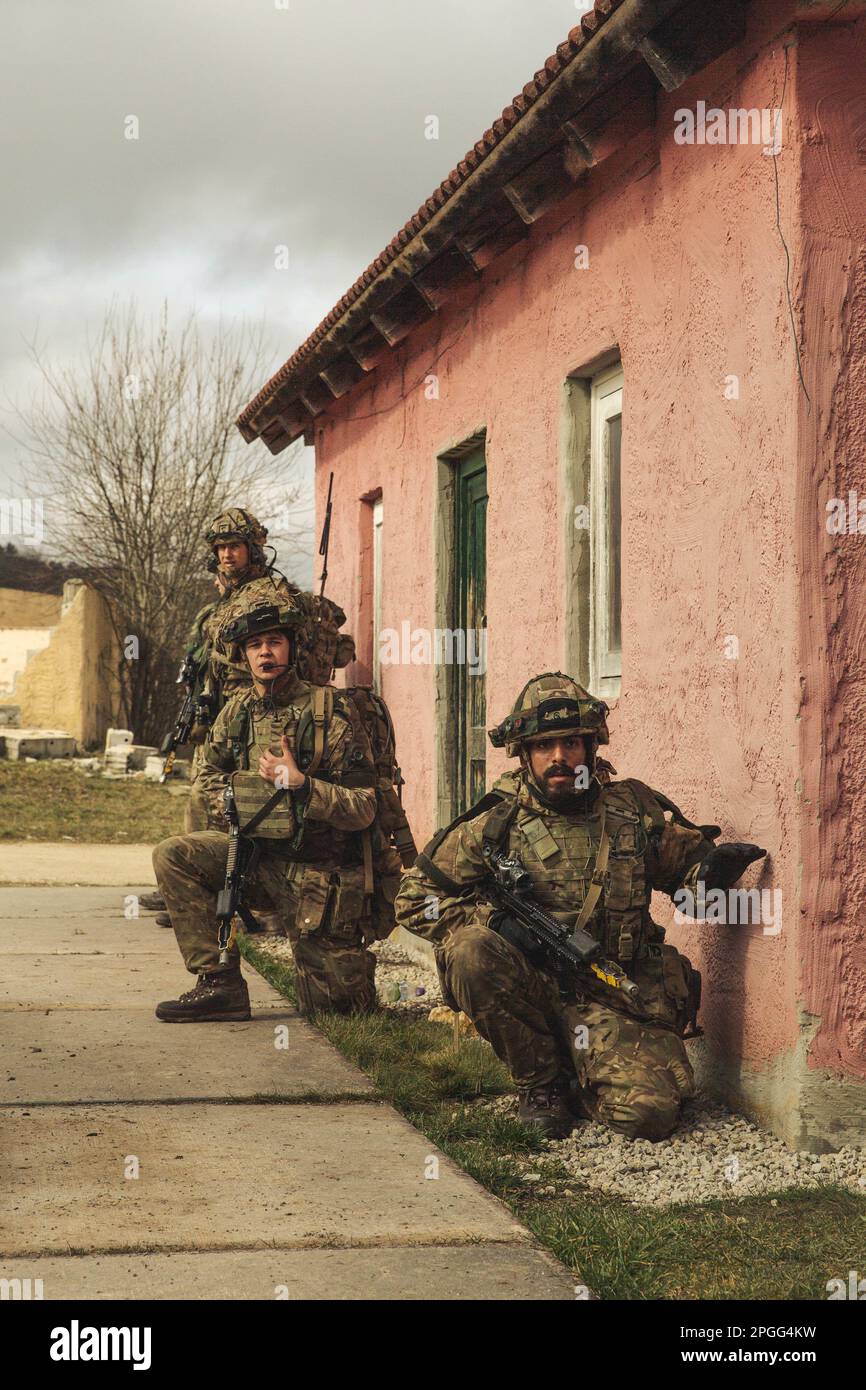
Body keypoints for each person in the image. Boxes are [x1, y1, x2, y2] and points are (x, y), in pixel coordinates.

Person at [395, 672, 766, 1140]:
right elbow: (414, 901)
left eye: (571, 743)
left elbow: (688, 889)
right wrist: (495, 923)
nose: (559, 758)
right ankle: (541, 1084)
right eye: (544, 746)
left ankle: (578, 1074)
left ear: (591, 748)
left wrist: (711, 874)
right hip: (532, 992)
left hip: (613, 995)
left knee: (648, 1117)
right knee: (470, 950)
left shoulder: (632, 814)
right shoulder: (494, 825)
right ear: (524, 754)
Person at [151, 601, 378, 1022]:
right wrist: (236, 798)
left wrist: (302, 785)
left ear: (293, 648)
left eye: (274, 642)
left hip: (315, 873)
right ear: (244, 655)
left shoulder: (332, 712)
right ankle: (220, 983)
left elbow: (364, 807)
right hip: (252, 858)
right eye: (254, 645)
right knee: (174, 854)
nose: (265, 652)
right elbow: (208, 776)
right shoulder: (236, 711)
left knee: (339, 1011)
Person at [141, 507, 355, 917]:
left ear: (254, 549)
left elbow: (260, 657)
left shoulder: (265, 595)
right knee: (204, 794)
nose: (226, 555)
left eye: (234, 546)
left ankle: (246, 897)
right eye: (220, 548)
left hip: (259, 708)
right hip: (221, 709)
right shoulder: (222, 600)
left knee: (255, 799)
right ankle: (198, 885)